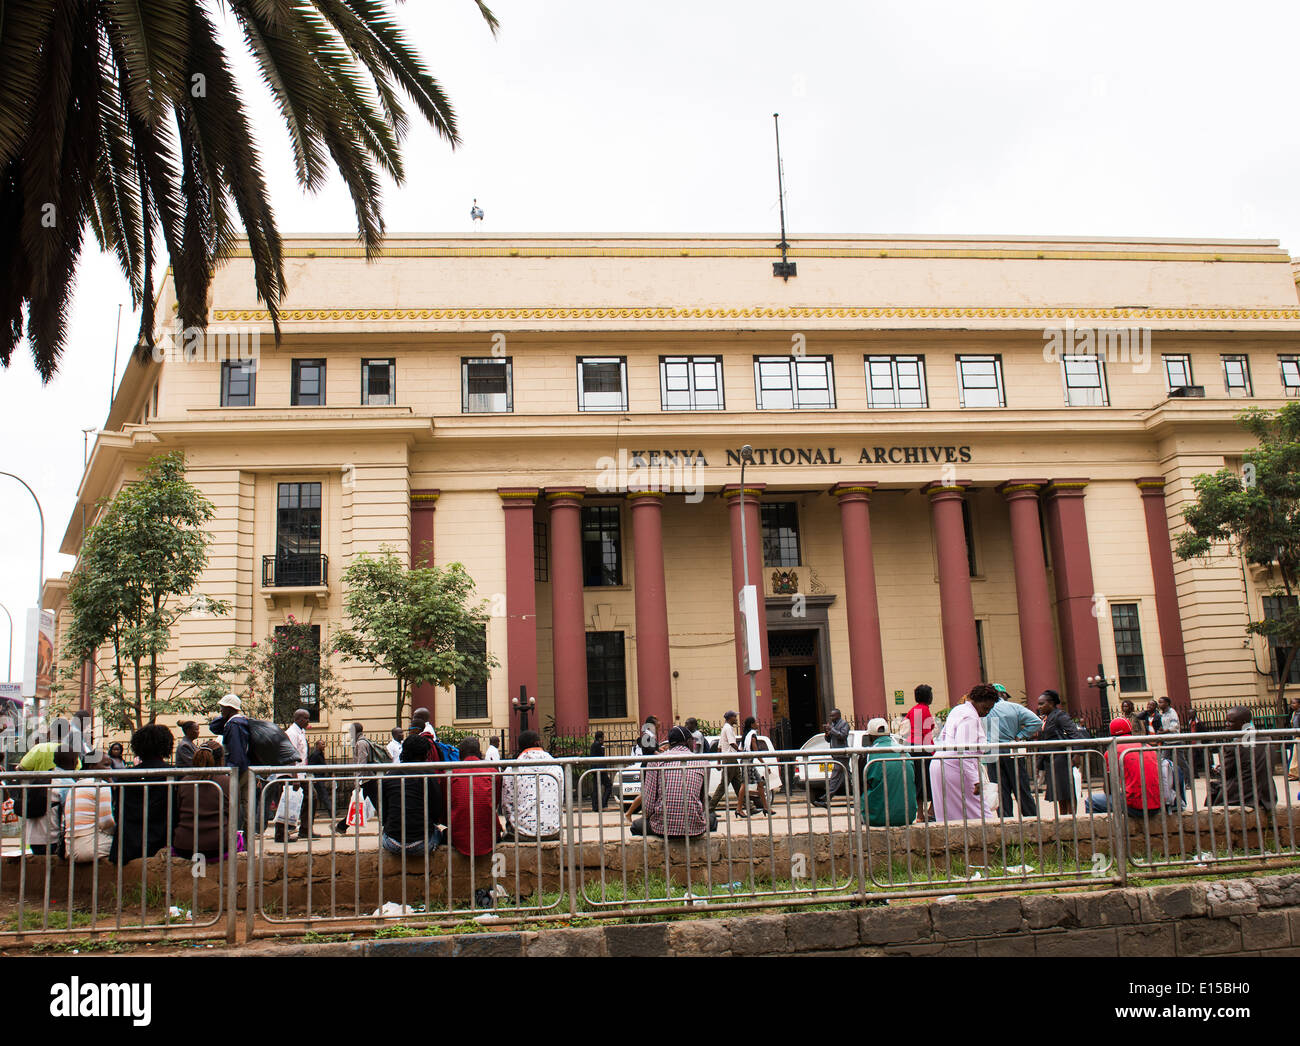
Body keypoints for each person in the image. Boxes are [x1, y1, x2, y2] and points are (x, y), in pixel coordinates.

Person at [365, 735, 445, 855]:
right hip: (422, 843)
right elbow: (436, 811)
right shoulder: (429, 774)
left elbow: (383, 812)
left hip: (392, 842)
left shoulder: (390, 775)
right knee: (440, 832)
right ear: (425, 754)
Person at [930, 684, 999, 822]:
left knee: (949, 815)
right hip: (955, 767)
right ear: (977, 701)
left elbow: (945, 737)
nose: (986, 713)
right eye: (986, 708)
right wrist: (976, 781)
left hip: (941, 763)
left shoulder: (959, 710)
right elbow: (965, 751)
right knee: (981, 814)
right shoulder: (970, 717)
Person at [110, 724, 175, 864]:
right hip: (164, 843)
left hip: (128, 846)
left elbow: (118, 811)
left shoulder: (126, 777)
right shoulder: (174, 775)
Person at [631, 726, 712, 839]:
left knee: (635, 825)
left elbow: (648, 806)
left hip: (662, 828)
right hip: (693, 828)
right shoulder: (703, 762)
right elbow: (703, 801)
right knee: (712, 819)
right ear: (688, 741)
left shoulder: (655, 761)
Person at [1082, 718, 1164, 817]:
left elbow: (1108, 789)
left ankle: (1112, 831)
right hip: (1158, 804)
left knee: (1091, 801)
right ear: (1131, 731)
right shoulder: (1147, 747)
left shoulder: (1112, 751)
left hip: (1135, 806)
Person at [982, 684, 1041, 818]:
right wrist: (1020, 735)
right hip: (1012, 750)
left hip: (992, 752)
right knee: (1021, 789)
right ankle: (1032, 819)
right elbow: (1036, 722)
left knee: (1000, 791)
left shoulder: (983, 710)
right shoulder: (1013, 707)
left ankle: (1005, 822)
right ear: (1002, 695)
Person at [1207, 706, 1276, 812]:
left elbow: (1226, 773)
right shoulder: (1267, 738)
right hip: (1267, 795)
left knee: (1214, 788)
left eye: (1231, 722)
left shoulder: (1236, 745)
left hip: (1244, 795)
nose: (1227, 725)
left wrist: (1218, 769)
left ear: (1243, 722)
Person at [173, 744, 232, 860]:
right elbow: (233, 815)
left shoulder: (184, 781)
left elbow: (178, 811)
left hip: (183, 846)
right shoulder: (228, 782)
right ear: (221, 760)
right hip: (218, 847)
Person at [447, 736, 502, 857]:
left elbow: (447, 806)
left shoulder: (452, 774)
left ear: (460, 754)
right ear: (479, 752)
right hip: (490, 837)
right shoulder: (492, 772)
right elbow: (496, 802)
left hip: (458, 839)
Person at [501, 730, 562, 840]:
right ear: (539, 743)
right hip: (552, 831)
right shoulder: (556, 767)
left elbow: (507, 806)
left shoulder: (512, 769)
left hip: (523, 833)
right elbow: (560, 799)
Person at [861, 718, 918, 827]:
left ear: (870, 737)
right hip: (908, 816)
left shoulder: (869, 754)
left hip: (878, 818)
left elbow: (861, 785)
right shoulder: (904, 751)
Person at [64, 752, 116, 863]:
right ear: (91, 767)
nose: (110, 769)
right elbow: (106, 822)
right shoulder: (101, 785)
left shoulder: (76, 785)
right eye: (106, 765)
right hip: (91, 847)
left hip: (70, 848)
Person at [1036, 689, 1081, 814]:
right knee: (1059, 792)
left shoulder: (1060, 716)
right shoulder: (1047, 718)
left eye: (1041, 704)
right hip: (1050, 760)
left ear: (1051, 703)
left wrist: (1077, 754)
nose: (1039, 707)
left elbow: (1074, 734)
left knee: (1067, 790)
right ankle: (1063, 817)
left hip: (1061, 759)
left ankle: (1071, 817)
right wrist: (1039, 764)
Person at [26, 750, 79, 855]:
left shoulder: (41, 778)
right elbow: (69, 814)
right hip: (53, 838)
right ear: (74, 762)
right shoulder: (66, 783)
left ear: (54, 760)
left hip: (33, 837)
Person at [904, 685, 936, 821]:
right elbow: (926, 733)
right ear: (928, 696)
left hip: (912, 747)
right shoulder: (925, 710)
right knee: (930, 779)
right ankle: (930, 811)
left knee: (917, 780)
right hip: (923, 747)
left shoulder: (912, 710)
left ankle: (920, 814)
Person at [708, 710, 745, 815]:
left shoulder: (725, 728)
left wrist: (719, 762)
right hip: (730, 758)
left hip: (729, 758)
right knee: (723, 786)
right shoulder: (728, 728)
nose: (736, 718)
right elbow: (732, 743)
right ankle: (710, 808)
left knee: (738, 784)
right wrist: (740, 751)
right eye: (735, 716)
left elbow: (719, 747)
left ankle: (748, 806)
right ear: (730, 718)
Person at [814, 708, 851, 807]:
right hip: (836, 755)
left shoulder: (844, 724)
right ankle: (861, 796)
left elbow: (843, 735)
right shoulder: (833, 725)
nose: (831, 718)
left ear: (838, 715)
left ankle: (826, 799)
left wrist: (832, 729)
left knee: (835, 778)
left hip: (842, 755)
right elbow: (829, 739)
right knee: (850, 778)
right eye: (830, 716)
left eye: (833, 716)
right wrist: (827, 733)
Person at [740, 715, 772, 816]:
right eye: (756, 723)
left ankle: (766, 807)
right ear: (752, 724)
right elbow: (755, 751)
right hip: (748, 762)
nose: (757, 724)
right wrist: (764, 764)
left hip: (748, 761)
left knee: (760, 783)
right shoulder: (752, 735)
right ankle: (738, 808)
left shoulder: (746, 734)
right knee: (744, 784)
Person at [589, 730, 613, 812]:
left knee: (596, 787)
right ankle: (603, 803)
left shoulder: (593, 745)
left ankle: (596, 805)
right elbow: (601, 756)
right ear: (600, 738)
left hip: (595, 769)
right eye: (603, 737)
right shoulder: (598, 746)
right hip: (600, 769)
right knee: (608, 785)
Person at [1288, 697, 1300, 782]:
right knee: (1295, 755)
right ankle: (1295, 773)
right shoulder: (1294, 713)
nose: (1292, 705)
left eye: (1294, 703)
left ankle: (1294, 773)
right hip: (1295, 737)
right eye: (1291, 703)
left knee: (1296, 756)